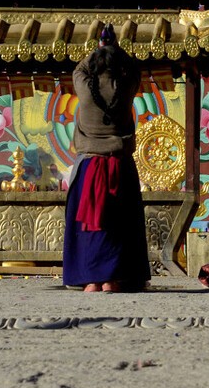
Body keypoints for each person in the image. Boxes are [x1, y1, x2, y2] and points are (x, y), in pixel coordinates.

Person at [62, 24, 151, 293]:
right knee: (120, 224)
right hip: (120, 165)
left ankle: (91, 279)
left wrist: (99, 48)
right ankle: (114, 278)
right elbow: (134, 68)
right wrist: (113, 47)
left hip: (88, 165)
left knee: (89, 225)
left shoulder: (84, 87)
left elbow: (79, 68)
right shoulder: (125, 86)